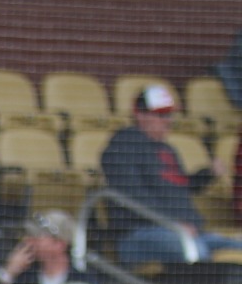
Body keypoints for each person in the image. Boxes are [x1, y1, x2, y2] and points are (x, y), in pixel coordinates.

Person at [101, 85, 242, 264]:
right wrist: (172, 223)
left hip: (184, 233)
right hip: (140, 235)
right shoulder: (123, 146)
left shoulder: (168, 149)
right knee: (195, 253)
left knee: (236, 249)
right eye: (161, 115)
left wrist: (207, 174)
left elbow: (180, 185)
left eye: (170, 115)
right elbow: (132, 197)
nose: (168, 121)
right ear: (140, 115)